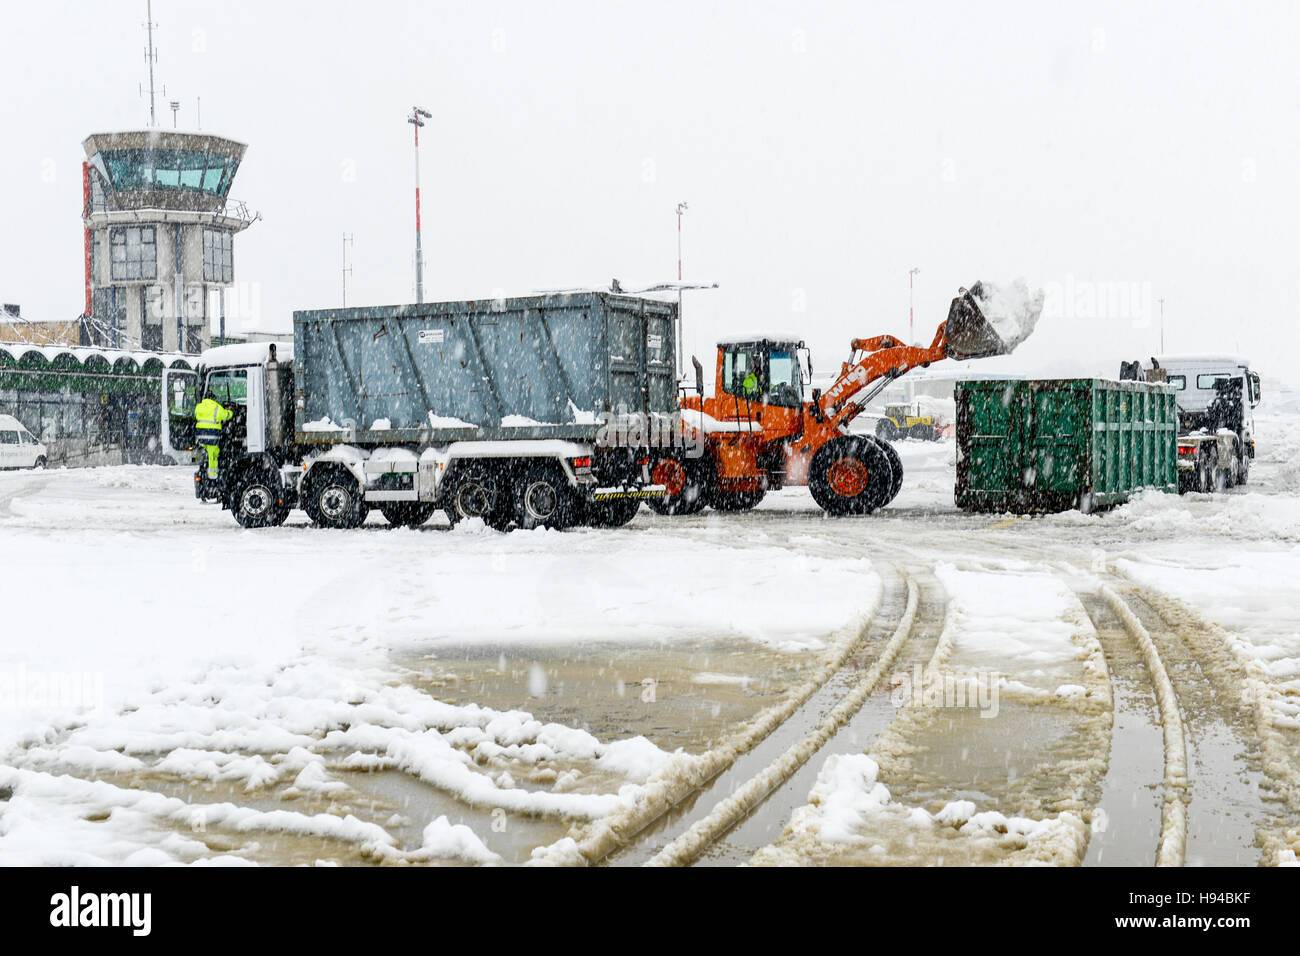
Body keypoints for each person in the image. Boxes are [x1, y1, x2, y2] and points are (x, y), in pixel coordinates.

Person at [194, 396, 233, 479]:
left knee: (205, 453)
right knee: (213, 455)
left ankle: (204, 468)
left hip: (201, 435)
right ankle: (213, 476)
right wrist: (230, 411)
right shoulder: (217, 407)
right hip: (212, 436)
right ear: (213, 399)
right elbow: (226, 416)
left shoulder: (199, 407)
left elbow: (197, 416)